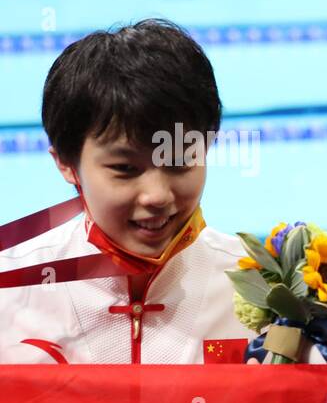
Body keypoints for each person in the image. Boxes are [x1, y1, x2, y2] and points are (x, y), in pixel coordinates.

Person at [0, 19, 255, 364]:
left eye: (180, 161)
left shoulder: (265, 289)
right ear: (65, 163)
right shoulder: (10, 294)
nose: (157, 195)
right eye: (125, 169)